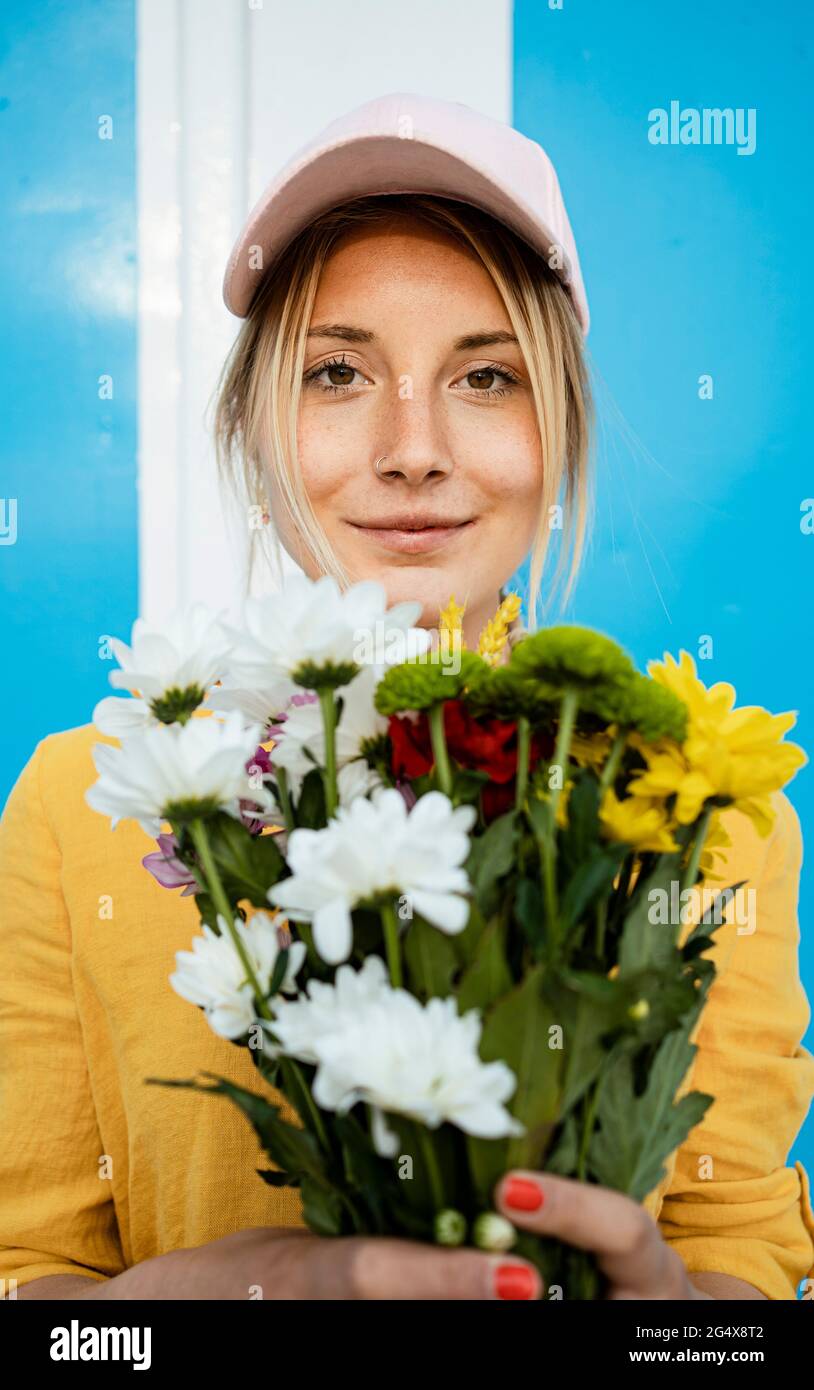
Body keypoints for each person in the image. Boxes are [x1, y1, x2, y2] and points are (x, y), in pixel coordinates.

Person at [1, 93, 813, 1302]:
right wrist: (232, 1292)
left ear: (561, 437)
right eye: (338, 372)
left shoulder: (706, 811)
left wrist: (674, 1321)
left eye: (484, 376)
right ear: (256, 434)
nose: (412, 447)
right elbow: (35, 1290)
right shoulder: (78, 801)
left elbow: (745, 1268)